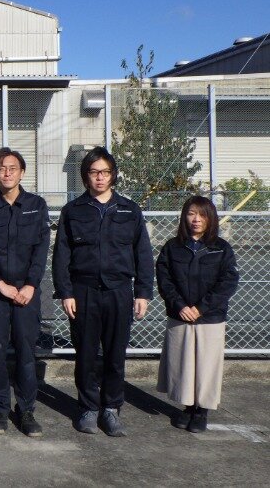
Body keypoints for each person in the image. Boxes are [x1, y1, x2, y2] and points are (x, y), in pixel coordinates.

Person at [52, 146, 153, 437]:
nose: (100, 177)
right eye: (94, 172)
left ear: (113, 175)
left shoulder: (130, 210)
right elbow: (61, 255)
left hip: (119, 291)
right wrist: (66, 292)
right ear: (85, 176)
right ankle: (87, 408)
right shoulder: (73, 211)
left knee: (115, 355)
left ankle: (111, 409)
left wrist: (143, 292)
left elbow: (143, 254)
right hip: (83, 292)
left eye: (105, 172)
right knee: (85, 354)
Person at [0, 148, 50, 437]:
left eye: (12, 168)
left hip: (27, 292)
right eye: (2, 168)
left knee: (26, 353)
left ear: (22, 173)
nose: (7, 173)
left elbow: (41, 248)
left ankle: (26, 410)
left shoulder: (36, 205)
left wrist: (30, 284)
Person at [156, 195, 239, 433]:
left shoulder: (221, 248)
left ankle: (201, 411)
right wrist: (180, 305)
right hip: (180, 314)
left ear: (211, 218)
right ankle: (188, 407)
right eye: (191, 213)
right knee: (182, 363)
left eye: (202, 215)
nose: (196, 219)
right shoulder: (172, 247)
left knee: (207, 365)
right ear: (184, 217)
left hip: (210, 318)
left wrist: (201, 308)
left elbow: (228, 282)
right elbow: (164, 280)